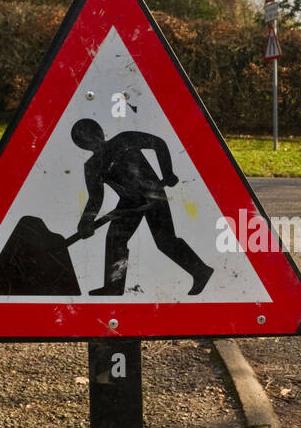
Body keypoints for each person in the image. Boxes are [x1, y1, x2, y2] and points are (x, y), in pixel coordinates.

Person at [71, 117, 214, 296]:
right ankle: (114, 286)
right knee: (115, 240)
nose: (90, 141)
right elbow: (95, 198)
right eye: (84, 140)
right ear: (81, 145)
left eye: (92, 136)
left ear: (100, 132)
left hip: (153, 196)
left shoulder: (123, 140)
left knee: (165, 241)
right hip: (128, 205)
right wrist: (86, 221)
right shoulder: (92, 166)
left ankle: (201, 271)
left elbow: (158, 143)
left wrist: (167, 172)